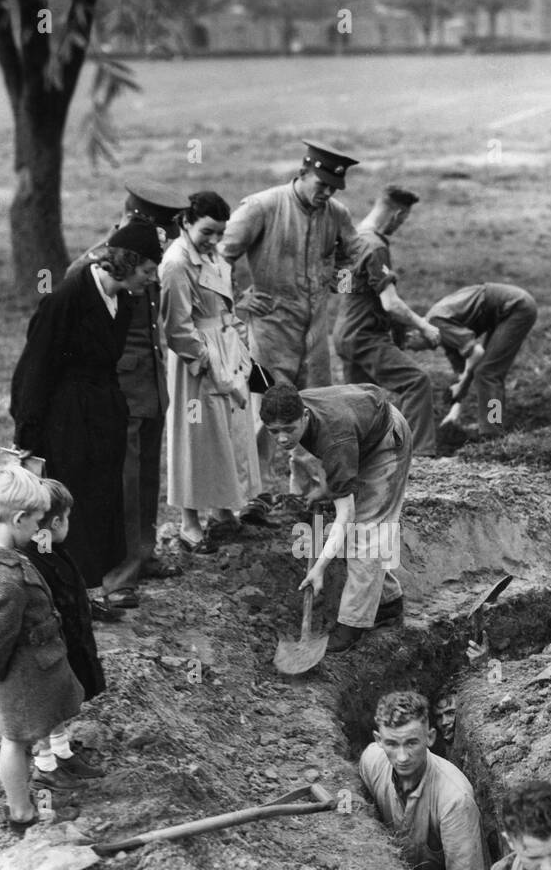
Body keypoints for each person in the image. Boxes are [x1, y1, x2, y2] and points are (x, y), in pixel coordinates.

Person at [9, 219, 161, 599]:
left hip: (102, 415)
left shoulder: (124, 300)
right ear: (126, 263)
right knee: (64, 507)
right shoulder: (67, 298)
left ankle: (89, 591)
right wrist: (28, 432)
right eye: (146, 270)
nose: (150, 279)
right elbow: (35, 367)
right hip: (65, 418)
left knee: (98, 503)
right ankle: (58, 594)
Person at [219, 140, 362, 503]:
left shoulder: (337, 214)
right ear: (303, 172)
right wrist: (239, 299)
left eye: (333, 188)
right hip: (269, 331)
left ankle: (307, 492)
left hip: (315, 334)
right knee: (267, 410)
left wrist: (339, 282)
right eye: (321, 184)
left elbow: (353, 257)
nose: (326, 193)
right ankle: (254, 496)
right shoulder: (261, 207)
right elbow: (220, 257)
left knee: (315, 408)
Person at [66, 177, 185, 607]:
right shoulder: (96, 265)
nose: (166, 242)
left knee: (145, 478)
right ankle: (118, 575)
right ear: (137, 220)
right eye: (161, 231)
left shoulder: (144, 257)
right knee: (122, 483)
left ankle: (143, 554)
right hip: (118, 392)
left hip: (150, 384)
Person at [0, 466, 84, 828]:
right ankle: (22, 811)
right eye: (35, 522)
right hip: (23, 672)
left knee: (22, 737)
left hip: (26, 667)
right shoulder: (6, 579)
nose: (37, 530)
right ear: (17, 518)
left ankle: (29, 797)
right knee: (15, 741)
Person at [259, 381, 410, 652]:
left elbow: (346, 515)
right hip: (358, 435)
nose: (282, 438)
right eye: (274, 431)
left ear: (304, 416)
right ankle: (387, 604)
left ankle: (352, 624)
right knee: (358, 533)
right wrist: (327, 488)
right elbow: (332, 455)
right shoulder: (294, 406)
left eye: (289, 429)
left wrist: (319, 568)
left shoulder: (334, 438)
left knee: (367, 531)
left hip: (386, 441)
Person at [159, 191, 263, 552]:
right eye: (208, 232)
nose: (215, 240)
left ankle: (223, 511)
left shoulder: (215, 255)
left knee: (229, 432)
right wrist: (206, 362)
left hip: (227, 345)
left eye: (220, 233)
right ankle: (189, 523)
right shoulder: (176, 263)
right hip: (197, 360)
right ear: (186, 223)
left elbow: (228, 305)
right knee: (196, 437)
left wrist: (240, 347)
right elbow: (177, 327)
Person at [360, 691, 488, 870]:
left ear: (430, 738)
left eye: (411, 743)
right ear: (378, 740)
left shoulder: (454, 799)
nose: (402, 757)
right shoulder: (372, 761)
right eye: (392, 744)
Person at [332, 186, 439, 456]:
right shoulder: (376, 246)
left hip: (344, 332)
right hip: (366, 336)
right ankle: (419, 456)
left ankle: (359, 455)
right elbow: (391, 303)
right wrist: (424, 326)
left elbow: (342, 286)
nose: (400, 225)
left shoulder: (351, 238)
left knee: (360, 400)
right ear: (396, 214)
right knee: (416, 382)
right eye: (403, 220)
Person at [22, 479, 106, 787]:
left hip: (66, 642)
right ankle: (44, 764)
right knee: (46, 704)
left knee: (59, 698)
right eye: (67, 518)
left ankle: (61, 749)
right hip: (47, 648)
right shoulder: (33, 562)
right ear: (56, 521)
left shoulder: (50, 550)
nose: (68, 524)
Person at [424, 283, 538, 437]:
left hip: (516, 307)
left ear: (411, 334)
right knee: (489, 373)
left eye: (409, 346)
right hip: (502, 314)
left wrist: (463, 385)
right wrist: (454, 413)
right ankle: (494, 426)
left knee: (488, 373)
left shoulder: (436, 323)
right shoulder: (441, 335)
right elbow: (462, 374)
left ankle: (493, 433)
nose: (416, 350)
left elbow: (477, 353)